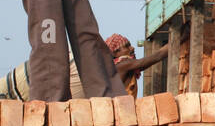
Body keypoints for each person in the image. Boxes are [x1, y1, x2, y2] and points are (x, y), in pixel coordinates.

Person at [0, 38, 167, 101]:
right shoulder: (120, 66)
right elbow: (154, 58)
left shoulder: (108, 70)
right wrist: (176, 41)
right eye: (127, 46)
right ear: (115, 53)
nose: (131, 49)